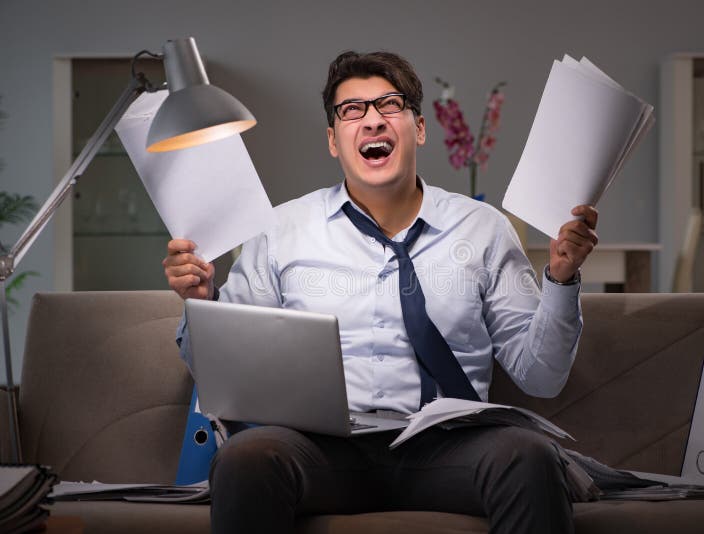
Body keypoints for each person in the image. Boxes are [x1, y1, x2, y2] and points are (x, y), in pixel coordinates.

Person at [164, 51, 598, 534]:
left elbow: (542, 377)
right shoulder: (280, 229)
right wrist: (200, 303)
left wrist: (560, 279)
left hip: (449, 447)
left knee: (530, 455)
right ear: (333, 140)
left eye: (390, 105)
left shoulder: (484, 229)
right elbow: (227, 376)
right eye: (352, 110)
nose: (372, 120)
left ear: (419, 128)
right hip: (322, 449)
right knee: (247, 457)